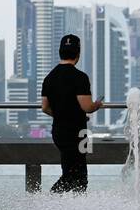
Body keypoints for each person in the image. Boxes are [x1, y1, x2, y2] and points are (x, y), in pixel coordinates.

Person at [40, 34, 104, 194]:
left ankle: (65, 209)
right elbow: (87, 107)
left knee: (69, 171)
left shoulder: (49, 77)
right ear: (78, 53)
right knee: (79, 175)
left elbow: (45, 107)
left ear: (60, 52)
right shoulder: (80, 78)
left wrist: (62, 114)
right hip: (78, 132)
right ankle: (51, 202)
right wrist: (97, 104)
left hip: (58, 131)